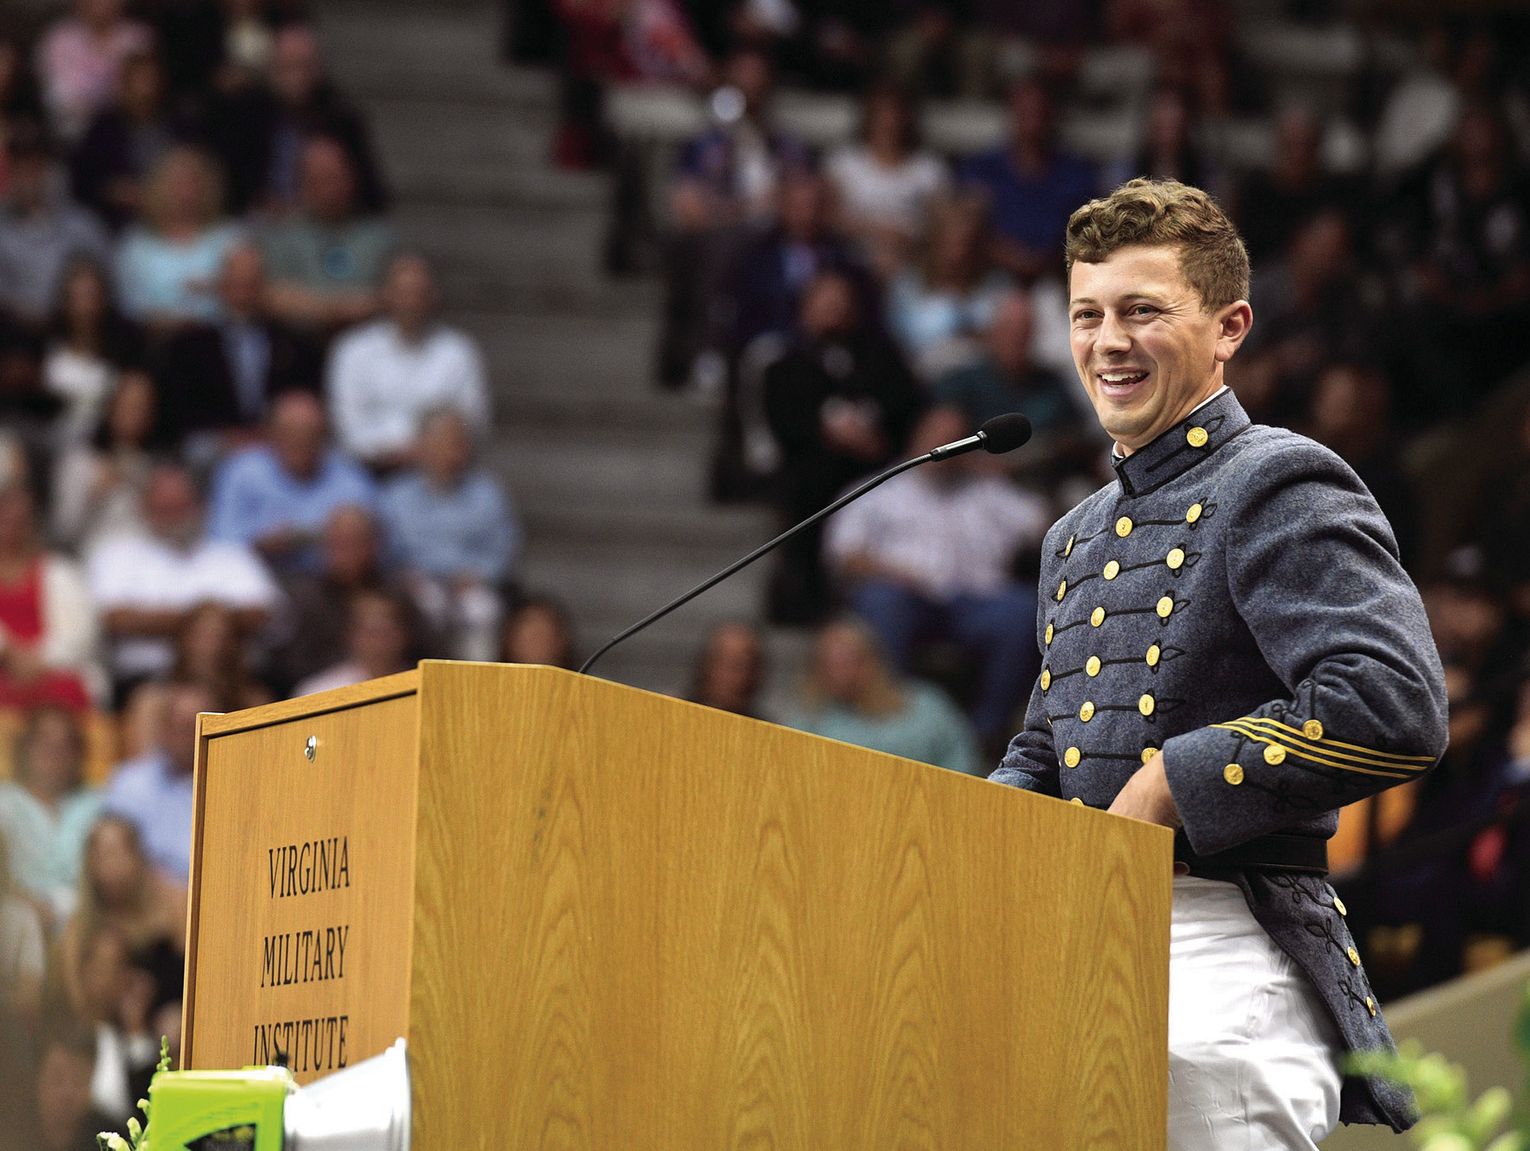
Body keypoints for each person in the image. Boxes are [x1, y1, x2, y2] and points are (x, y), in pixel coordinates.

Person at [989, 178, 1448, 1145]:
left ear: (1230, 326)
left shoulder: (1277, 478)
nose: (1107, 340)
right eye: (1087, 314)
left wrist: (1173, 779)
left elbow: (1394, 700)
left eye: (1141, 310)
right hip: (1084, 945)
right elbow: (1050, 744)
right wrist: (954, 833)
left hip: (1229, 946)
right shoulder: (1074, 534)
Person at [824, 406, 1048, 750]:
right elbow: (844, 554)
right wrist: (893, 573)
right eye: (939, 437)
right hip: (907, 596)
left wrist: (999, 473)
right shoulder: (882, 489)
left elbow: (1045, 525)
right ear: (918, 439)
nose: (947, 445)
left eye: (956, 439)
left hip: (976, 602)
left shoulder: (987, 490)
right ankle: (902, 722)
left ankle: (987, 732)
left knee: (1022, 610)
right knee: (882, 602)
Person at [87, 463, 279, 693]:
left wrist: (156, 622)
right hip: (145, 681)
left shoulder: (231, 554)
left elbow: (262, 613)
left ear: (200, 506)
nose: (173, 516)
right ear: (144, 508)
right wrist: (206, 623)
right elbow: (114, 619)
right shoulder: (116, 554)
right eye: (164, 507)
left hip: (232, 682)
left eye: (180, 506)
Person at [325, 253, 491, 471]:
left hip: (439, 473)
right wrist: (401, 450)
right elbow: (348, 427)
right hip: (366, 472)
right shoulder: (353, 349)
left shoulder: (458, 352)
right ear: (385, 294)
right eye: (403, 293)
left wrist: (428, 452)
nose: (411, 303)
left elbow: (473, 422)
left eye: (419, 294)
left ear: (434, 296)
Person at [377, 407, 518, 662]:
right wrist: (406, 575)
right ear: (422, 446)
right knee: (427, 606)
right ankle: (424, 677)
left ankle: (475, 684)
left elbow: (503, 548)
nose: (453, 449)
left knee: (482, 611)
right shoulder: (396, 495)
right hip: (418, 582)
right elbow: (389, 551)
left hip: (471, 582)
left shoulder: (487, 493)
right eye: (443, 441)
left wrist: (478, 575)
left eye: (459, 442)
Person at [151, 242, 322, 450]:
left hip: (278, 441)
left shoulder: (292, 343)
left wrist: (270, 432)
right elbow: (181, 409)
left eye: (250, 283)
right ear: (221, 285)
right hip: (215, 439)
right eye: (236, 283)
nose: (243, 292)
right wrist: (228, 436)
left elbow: (303, 397)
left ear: (262, 286)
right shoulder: (190, 345)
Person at [207, 390, 375, 575]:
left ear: (324, 436)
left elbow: (375, 541)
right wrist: (263, 544)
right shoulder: (241, 472)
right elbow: (221, 545)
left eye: (310, 434)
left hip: (331, 582)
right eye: (290, 433)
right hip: (259, 580)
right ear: (270, 433)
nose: (301, 442)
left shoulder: (350, 477)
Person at [785, 616, 979, 776]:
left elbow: (963, 764)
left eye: (846, 661)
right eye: (827, 663)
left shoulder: (927, 706)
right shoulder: (810, 722)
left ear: (872, 660)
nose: (836, 672)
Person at [114, 145, 242, 327]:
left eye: (192, 182)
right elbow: (128, 304)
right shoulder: (135, 244)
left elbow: (246, 295)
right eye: (176, 183)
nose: (185, 193)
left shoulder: (231, 238)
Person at [0, 705, 102, 927]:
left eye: (64, 745)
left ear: (78, 753)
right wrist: (27, 904)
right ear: (25, 748)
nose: (54, 751)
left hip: (89, 921)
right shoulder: (4, 802)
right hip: (15, 916)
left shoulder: (97, 805)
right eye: (44, 741)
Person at [686, 620, 767, 719]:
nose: (736, 678)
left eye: (744, 666)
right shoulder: (675, 715)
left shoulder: (765, 730)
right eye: (729, 665)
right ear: (706, 666)